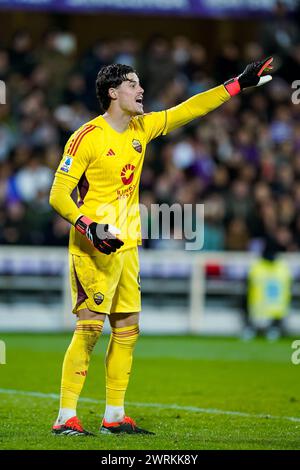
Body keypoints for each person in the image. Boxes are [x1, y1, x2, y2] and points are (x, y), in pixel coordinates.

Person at [49, 58, 273, 435]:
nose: (140, 90)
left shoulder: (142, 127)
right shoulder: (87, 136)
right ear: (112, 92)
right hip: (93, 247)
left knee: (128, 328)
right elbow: (58, 195)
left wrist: (236, 84)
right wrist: (90, 227)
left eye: (139, 84)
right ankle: (64, 417)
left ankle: (114, 416)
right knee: (89, 328)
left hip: (128, 245)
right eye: (133, 85)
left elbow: (188, 109)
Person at [242, 237, 291, 341]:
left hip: (262, 308)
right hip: (268, 308)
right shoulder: (283, 267)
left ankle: (256, 328)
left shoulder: (257, 267)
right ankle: (255, 328)